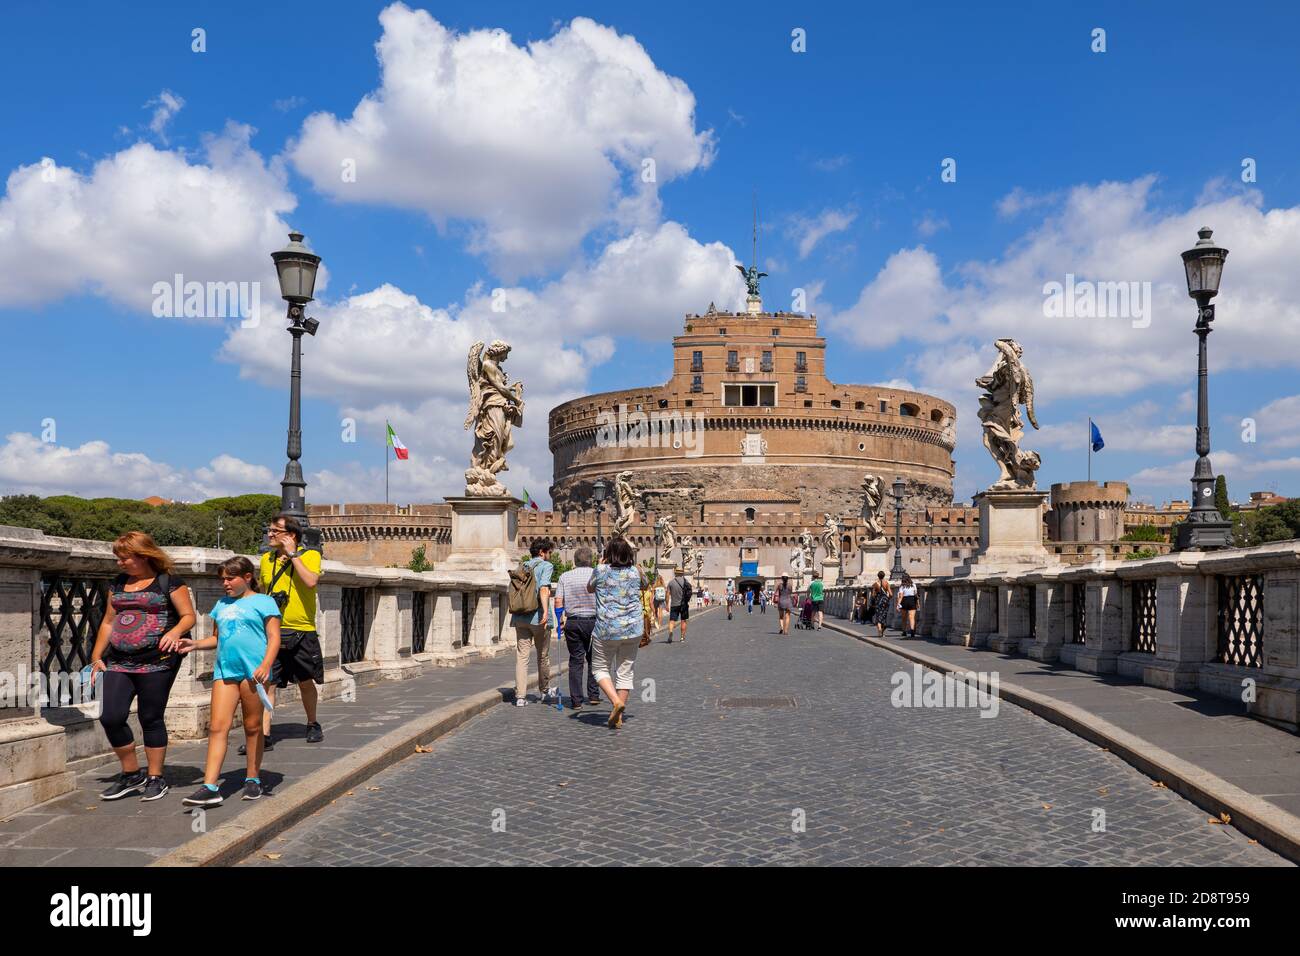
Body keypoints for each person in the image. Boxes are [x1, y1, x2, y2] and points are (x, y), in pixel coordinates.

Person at [89, 532, 196, 802]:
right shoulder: (118, 583)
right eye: (118, 558)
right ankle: (131, 773)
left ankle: (155, 777)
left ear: (143, 556)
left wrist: (174, 633)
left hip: (158, 660)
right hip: (119, 660)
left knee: (150, 717)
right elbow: (108, 621)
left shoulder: (169, 582)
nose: (119, 563)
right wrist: (95, 655)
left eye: (124, 558)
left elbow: (188, 616)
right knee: (110, 715)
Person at [180, 557, 281, 806]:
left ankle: (253, 779)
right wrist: (194, 644)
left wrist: (266, 664)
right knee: (217, 727)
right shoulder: (221, 604)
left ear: (247, 577)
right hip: (225, 672)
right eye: (222, 578)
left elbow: (274, 637)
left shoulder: (264, 602)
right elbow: (217, 638)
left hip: (254, 673)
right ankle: (210, 785)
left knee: (253, 726)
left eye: (230, 578)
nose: (225, 583)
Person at [251, 514, 324, 753]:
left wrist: (293, 555)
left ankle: (312, 723)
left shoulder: (310, 555)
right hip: (272, 630)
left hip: (302, 629)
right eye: (270, 530)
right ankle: (264, 735)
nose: (269, 534)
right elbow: (262, 591)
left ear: (291, 535)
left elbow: (311, 581)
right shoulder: (266, 559)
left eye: (275, 531)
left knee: (305, 681)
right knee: (268, 683)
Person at [586, 536, 649, 728]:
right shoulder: (636, 571)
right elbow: (646, 585)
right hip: (633, 628)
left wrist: (600, 565)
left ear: (608, 554)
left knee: (599, 668)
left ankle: (616, 702)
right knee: (625, 670)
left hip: (607, 628)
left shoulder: (601, 570)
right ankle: (619, 715)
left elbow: (589, 588)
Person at [511, 538, 556, 706]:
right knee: (542, 656)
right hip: (538, 617)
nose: (550, 556)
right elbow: (544, 589)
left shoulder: (522, 566)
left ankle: (520, 697)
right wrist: (545, 611)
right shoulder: (546, 566)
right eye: (549, 552)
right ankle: (544, 691)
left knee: (522, 657)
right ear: (542, 552)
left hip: (520, 616)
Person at [554, 546, 600, 710]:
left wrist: (560, 621)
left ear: (575, 561)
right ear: (591, 560)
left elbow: (558, 601)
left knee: (576, 661)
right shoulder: (598, 574)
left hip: (573, 622)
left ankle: (576, 700)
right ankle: (594, 695)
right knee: (594, 659)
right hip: (595, 621)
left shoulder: (565, 576)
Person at [666, 571, 691, 643]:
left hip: (674, 604)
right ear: (682, 574)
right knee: (683, 620)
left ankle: (671, 632)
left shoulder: (671, 582)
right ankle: (682, 637)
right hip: (684, 604)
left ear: (675, 573)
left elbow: (667, 594)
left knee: (672, 620)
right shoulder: (685, 582)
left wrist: (667, 604)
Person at [869, 571, 893, 638]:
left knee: (878, 616)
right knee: (884, 616)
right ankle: (882, 631)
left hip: (878, 601)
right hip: (885, 602)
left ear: (878, 576)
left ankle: (879, 629)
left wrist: (877, 595)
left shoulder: (875, 584)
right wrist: (887, 598)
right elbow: (891, 594)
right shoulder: (886, 583)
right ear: (884, 576)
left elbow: (873, 595)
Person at [896, 573, 920, 638]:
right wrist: (918, 603)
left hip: (904, 601)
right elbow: (916, 595)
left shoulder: (902, 586)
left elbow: (900, 596)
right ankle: (912, 631)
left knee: (904, 618)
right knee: (911, 617)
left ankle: (904, 631)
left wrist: (898, 605)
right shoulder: (913, 585)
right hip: (912, 600)